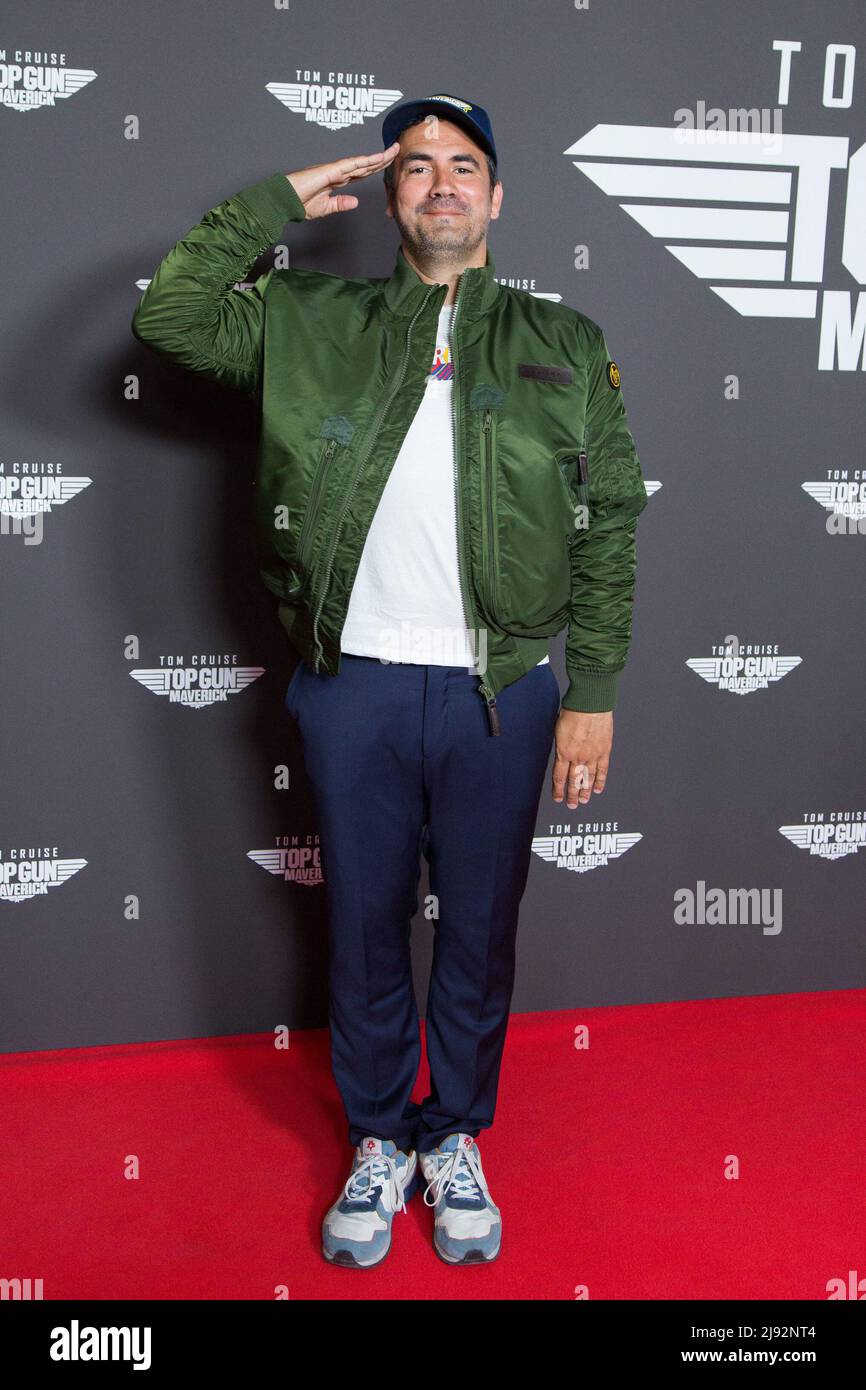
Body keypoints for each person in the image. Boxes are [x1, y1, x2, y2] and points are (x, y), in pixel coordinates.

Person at [131, 92, 648, 1269]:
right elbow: (168, 317)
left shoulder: (561, 341)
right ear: (392, 198)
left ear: (498, 195)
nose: (442, 183)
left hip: (497, 689)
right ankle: (378, 1138)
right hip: (352, 683)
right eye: (416, 168)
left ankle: (453, 1130)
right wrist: (276, 204)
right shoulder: (306, 316)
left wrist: (592, 687)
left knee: (476, 930)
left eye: (464, 165)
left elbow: (609, 520)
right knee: (363, 928)